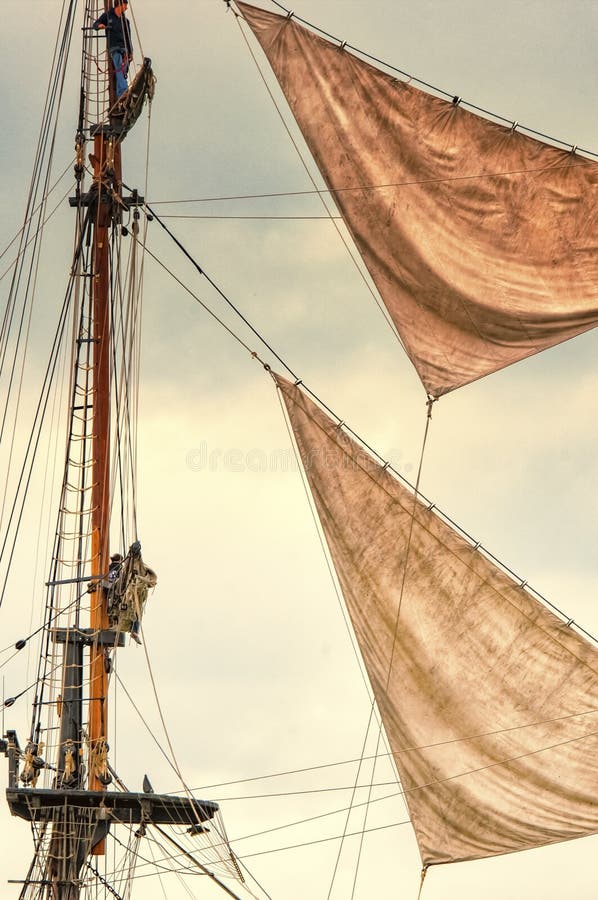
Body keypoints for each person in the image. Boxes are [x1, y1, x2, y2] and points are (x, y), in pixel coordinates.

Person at [92, 2, 133, 98]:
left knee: (123, 71)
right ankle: (123, 92)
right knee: (119, 66)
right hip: (114, 47)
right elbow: (95, 24)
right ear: (120, 3)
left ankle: (121, 94)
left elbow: (128, 37)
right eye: (125, 5)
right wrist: (100, 26)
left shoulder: (125, 21)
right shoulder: (108, 15)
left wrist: (130, 52)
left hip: (124, 49)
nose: (126, 8)